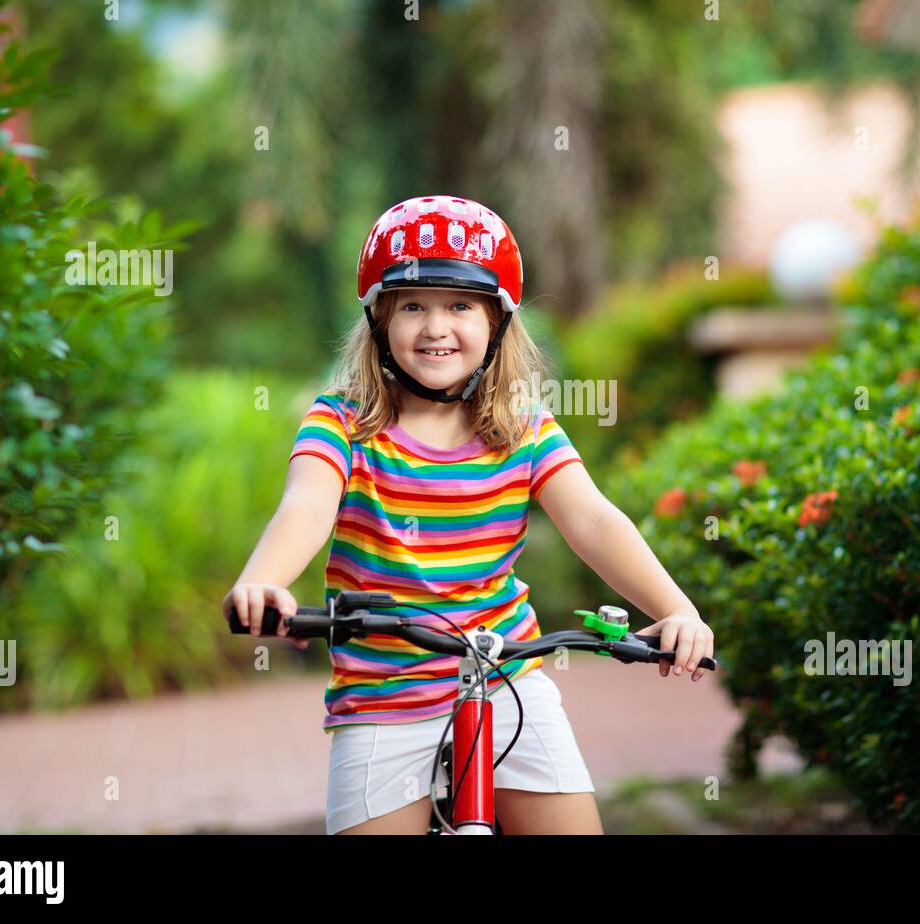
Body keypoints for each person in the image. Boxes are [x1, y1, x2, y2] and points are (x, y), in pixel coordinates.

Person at [221, 194, 714, 835]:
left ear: (497, 324)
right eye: (413, 307)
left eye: (460, 306)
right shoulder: (342, 424)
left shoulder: (525, 431)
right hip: (383, 693)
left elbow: (593, 520)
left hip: (506, 675)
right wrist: (266, 580)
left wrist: (677, 610)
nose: (435, 327)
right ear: (378, 322)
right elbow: (308, 505)